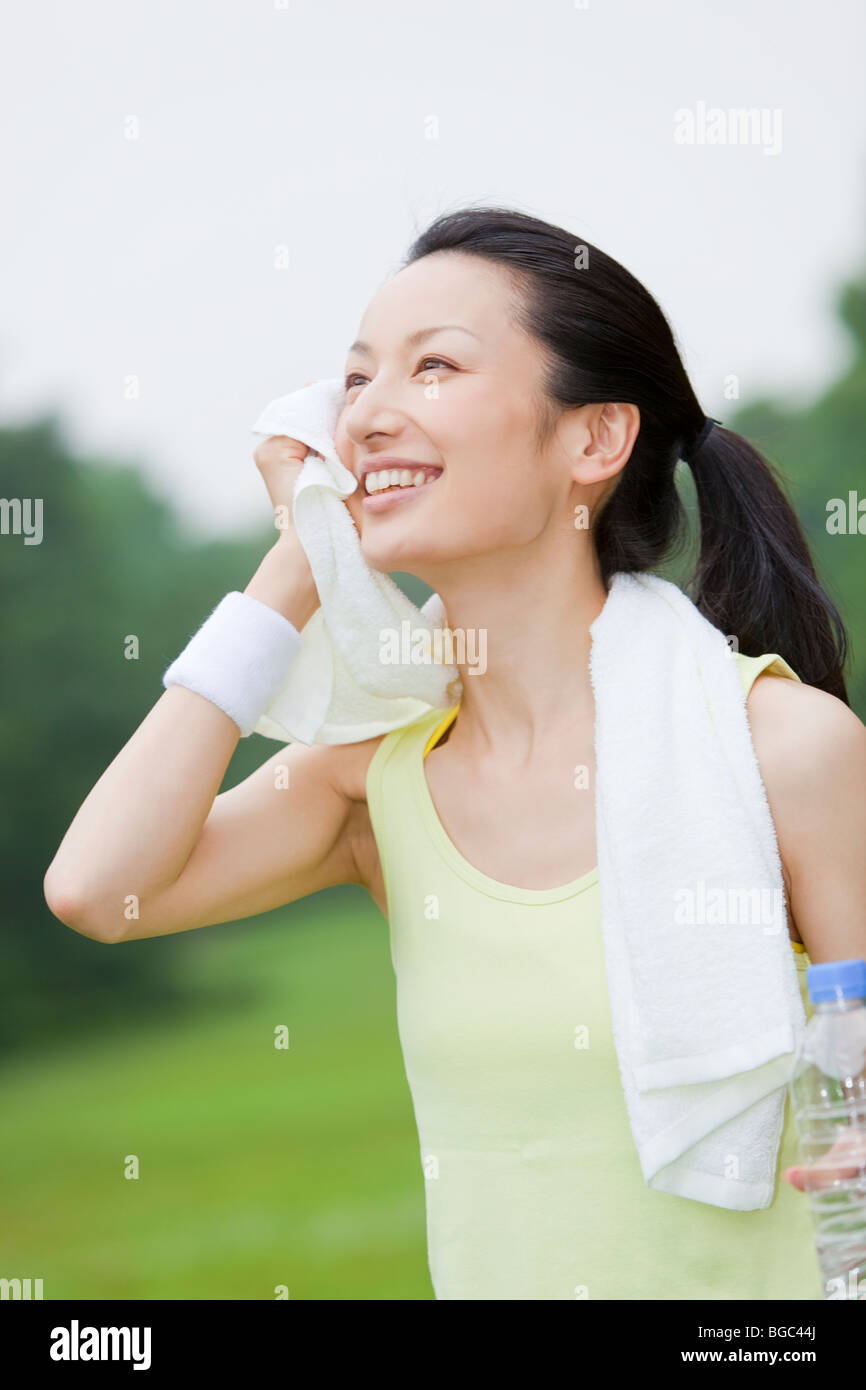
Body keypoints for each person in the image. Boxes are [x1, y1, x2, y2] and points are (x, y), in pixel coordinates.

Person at [44, 206, 866, 1300]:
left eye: (433, 367)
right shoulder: (373, 774)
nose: (368, 414)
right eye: (356, 380)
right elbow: (99, 888)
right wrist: (299, 559)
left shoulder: (783, 750)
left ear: (593, 440)